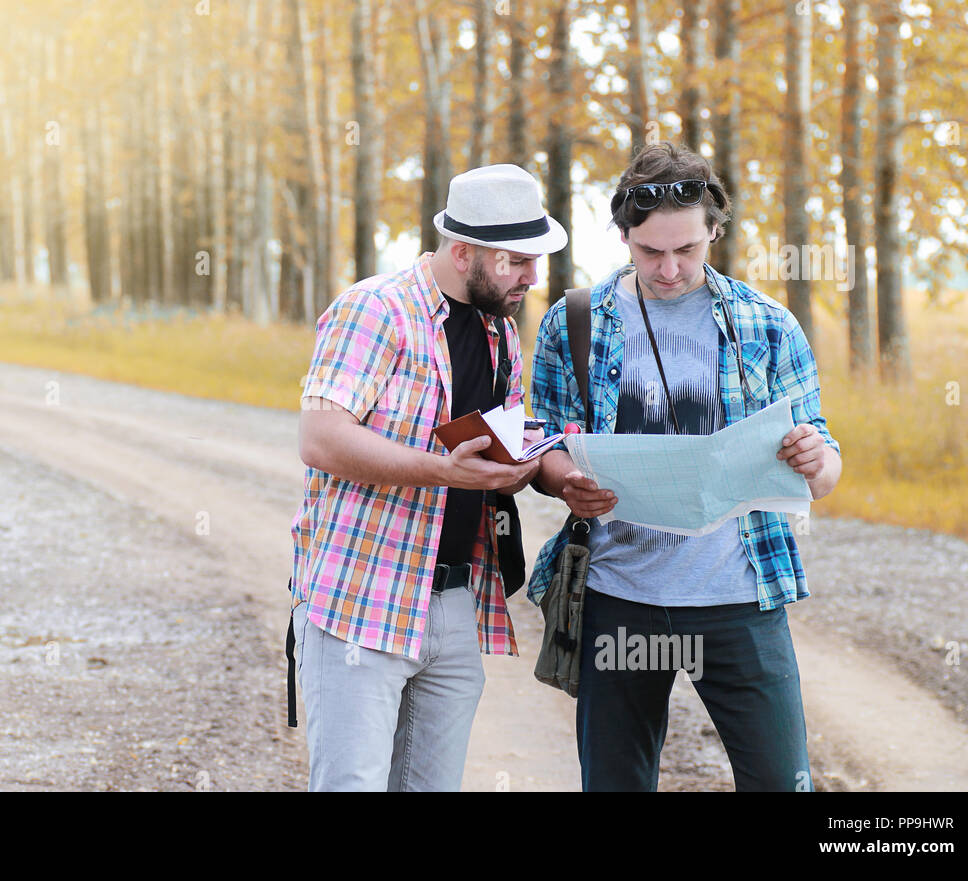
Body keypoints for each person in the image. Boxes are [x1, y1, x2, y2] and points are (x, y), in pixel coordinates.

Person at [528, 142, 843, 792]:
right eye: (650, 252)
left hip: (738, 599)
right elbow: (542, 446)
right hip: (619, 596)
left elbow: (827, 463)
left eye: (688, 250)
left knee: (783, 781)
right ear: (623, 235)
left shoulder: (767, 325)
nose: (669, 269)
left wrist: (816, 457)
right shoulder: (574, 323)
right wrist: (565, 481)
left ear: (715, 232)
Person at [289, 164, 565, 791]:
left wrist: (516, 471)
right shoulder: (376, 309)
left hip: (455, 603)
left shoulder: (502, 331)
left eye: (535, 259)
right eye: (516, 261)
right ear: (463, 250)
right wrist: (445, 471)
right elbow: (320, 436)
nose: (532, 276)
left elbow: (493, 460)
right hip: (360, 599)